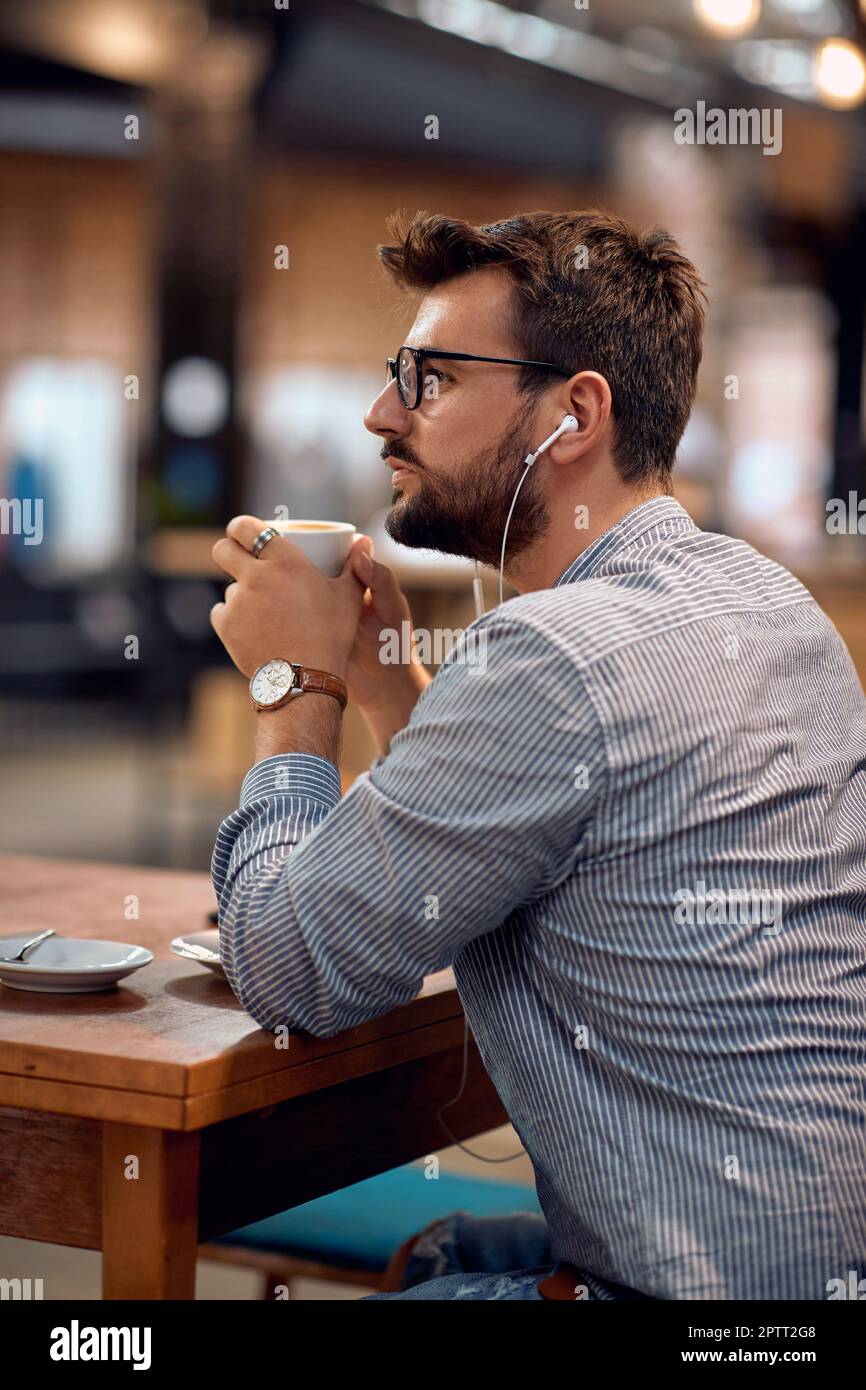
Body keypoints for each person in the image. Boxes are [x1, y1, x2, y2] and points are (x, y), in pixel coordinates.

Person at [209, 210, 866, 1300]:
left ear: (573, 414)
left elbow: (284, 967)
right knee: (449, 1250)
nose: (381, 414)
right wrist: (381, 682)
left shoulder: (550, 654)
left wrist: (294, 685)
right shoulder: (767, 602)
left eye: (429, 380)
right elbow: (545, 822)